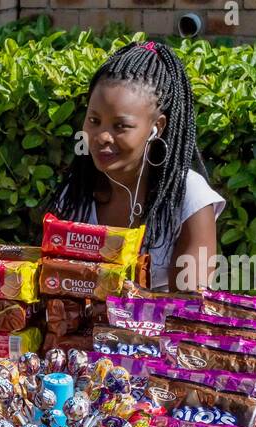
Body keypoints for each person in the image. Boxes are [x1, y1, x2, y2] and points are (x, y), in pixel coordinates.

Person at [47, 40, 224, 292]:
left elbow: (188, 308)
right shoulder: (77, 193)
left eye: (121, 126)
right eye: (94, 120)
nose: (102, 136)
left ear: (157, 127)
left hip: (159, 331)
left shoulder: (189, 197)